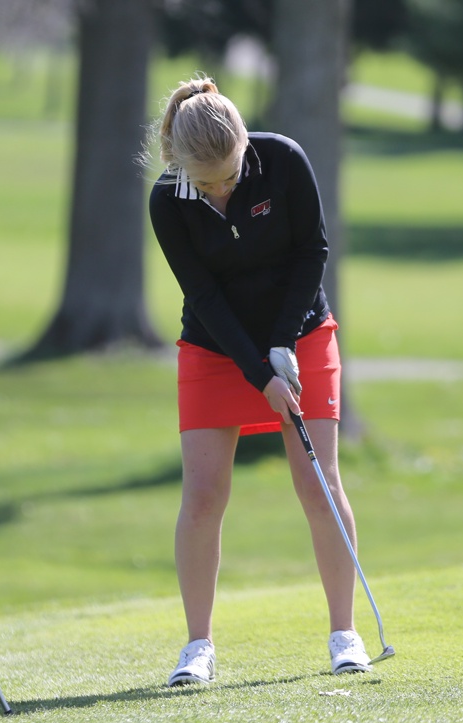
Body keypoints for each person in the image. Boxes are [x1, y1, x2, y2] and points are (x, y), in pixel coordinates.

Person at [146, 76, 373, 687]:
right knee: (203, 496)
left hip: (301, 332)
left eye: (232, 174)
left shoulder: (282, 160)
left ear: (246, 144)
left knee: (318, 480)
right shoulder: (167, 200)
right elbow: (204, 295)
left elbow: (312, 252)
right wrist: (255, 369)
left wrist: (281, 346)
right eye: (210, 182)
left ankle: (344, 633)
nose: (224, 188)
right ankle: (198, 647)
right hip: (214, 348)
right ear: (180, 164)